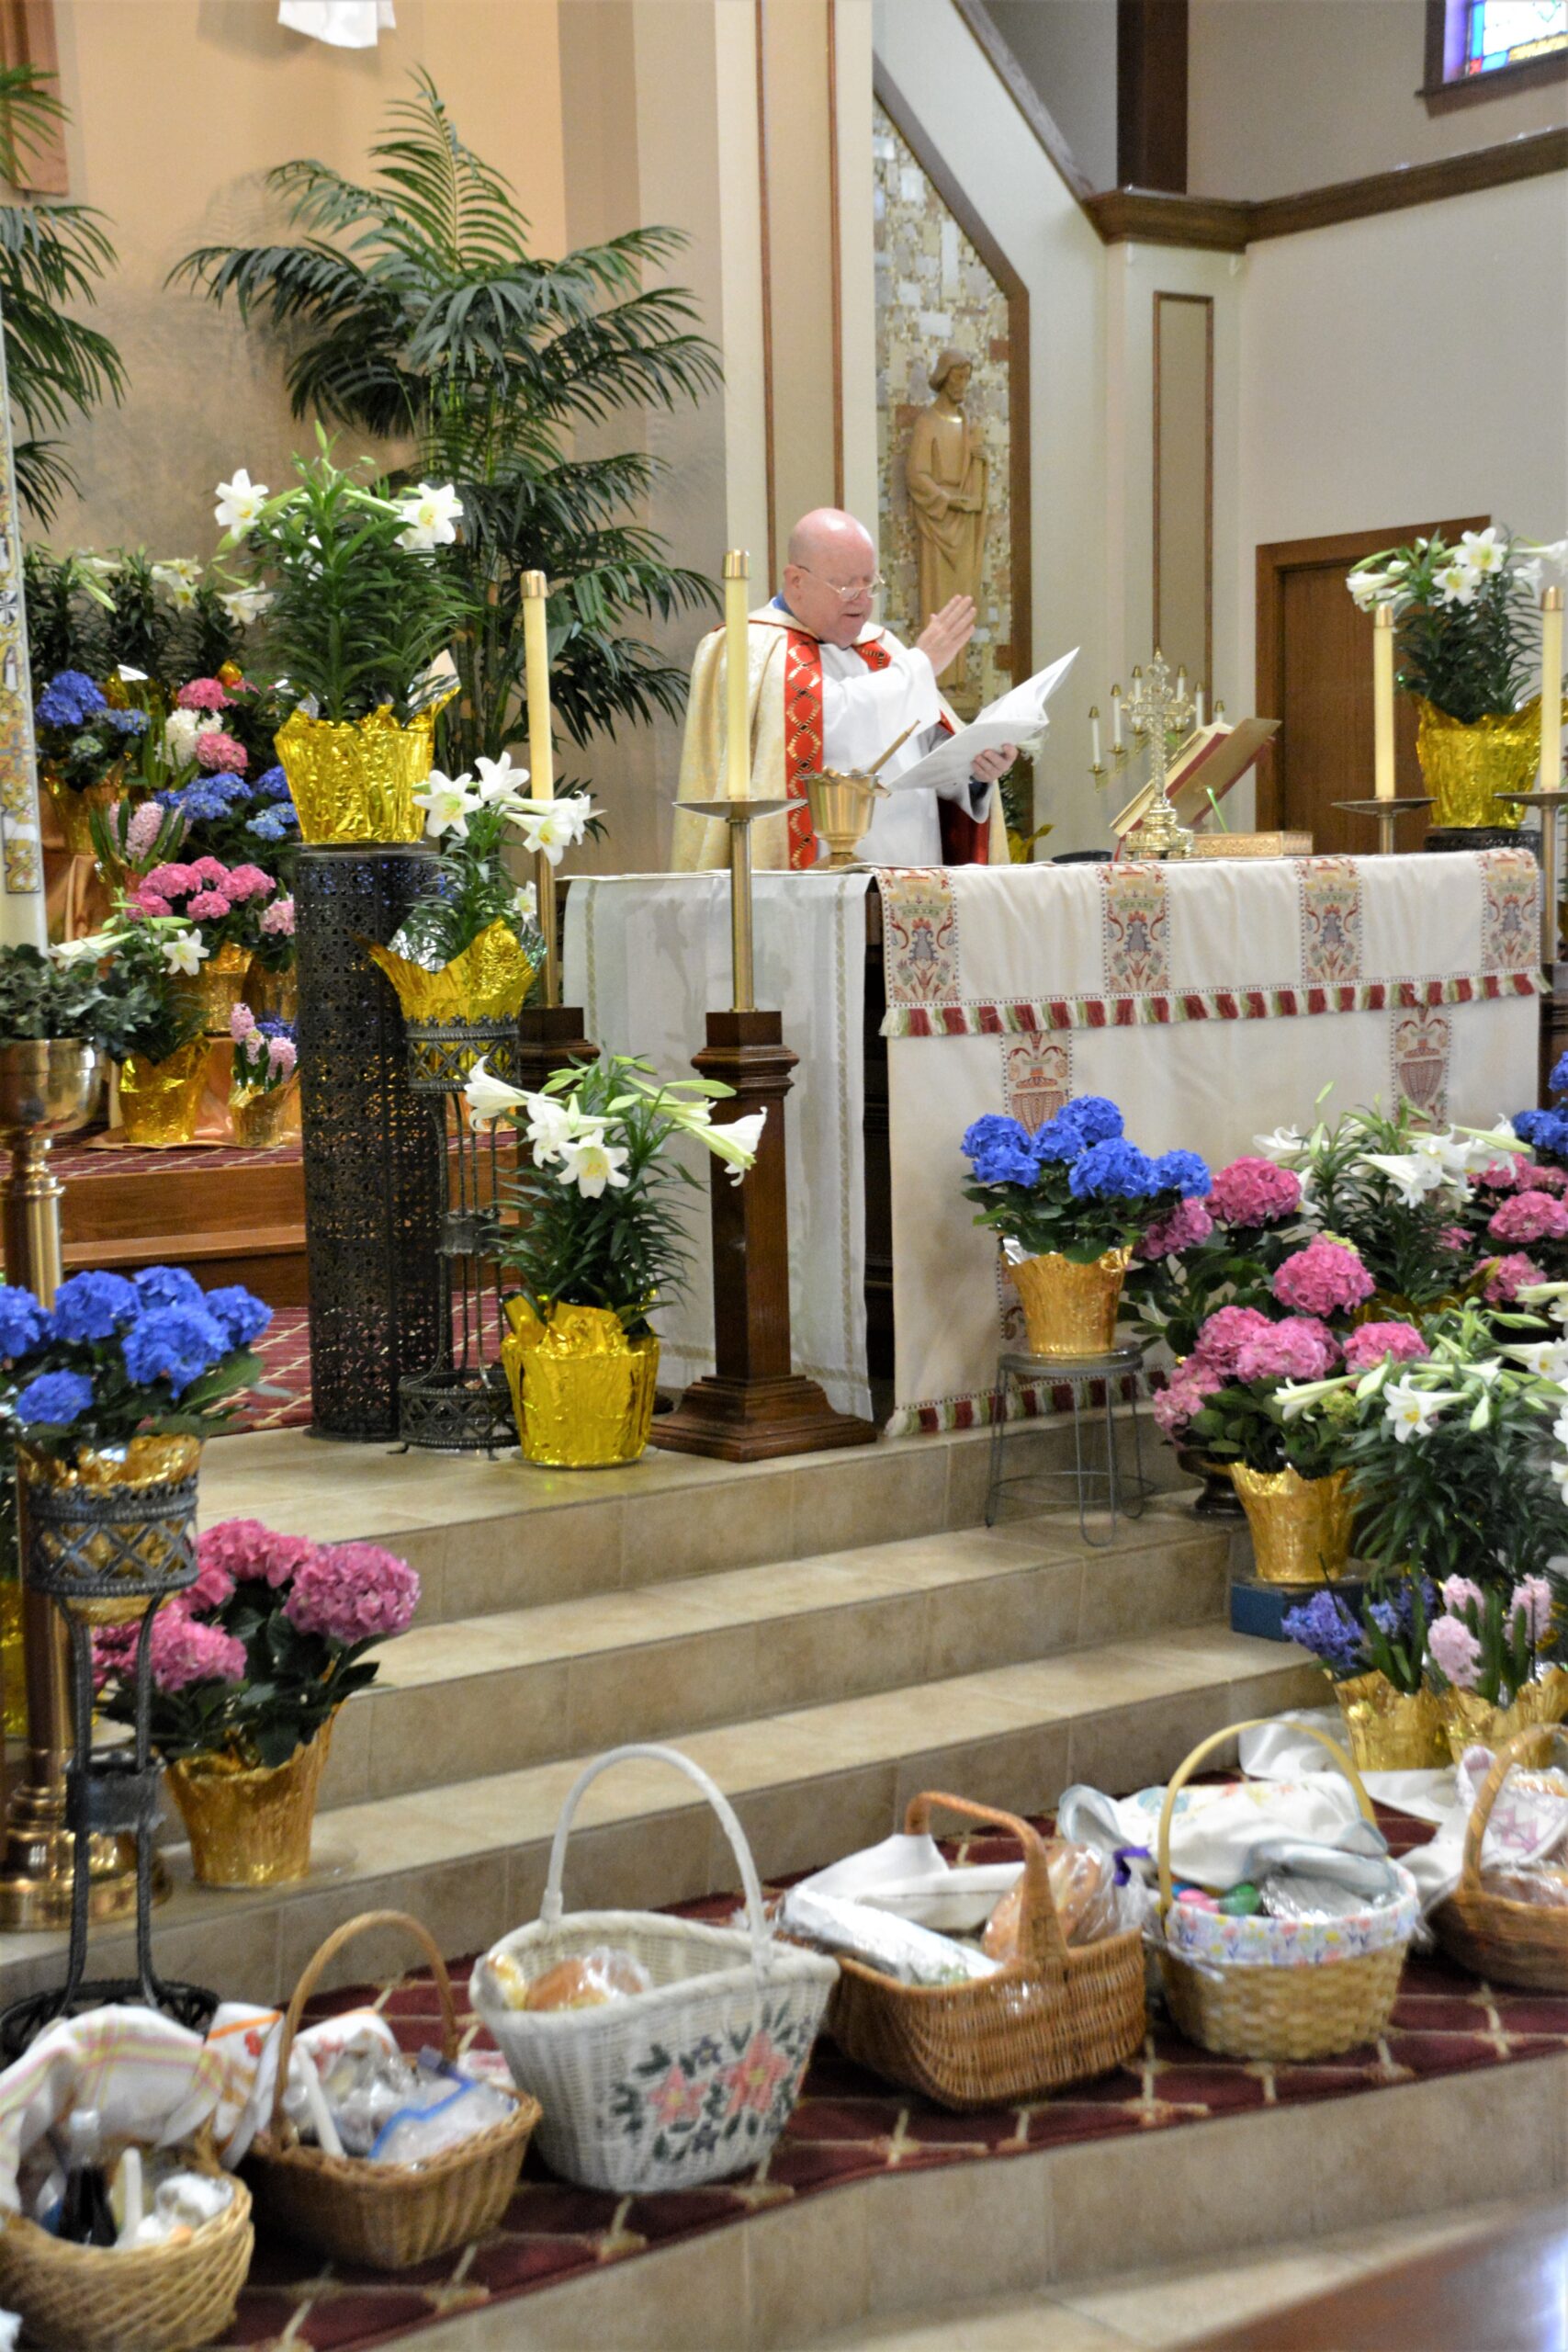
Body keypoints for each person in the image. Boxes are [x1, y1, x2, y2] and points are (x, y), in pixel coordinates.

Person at [672, 506, 1016, 872]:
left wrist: (976, 771)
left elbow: (925, 754)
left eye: (870, 584)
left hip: (917, 882)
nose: (862, 599)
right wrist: (921, 666)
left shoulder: (884, 649)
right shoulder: (752, 647)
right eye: (845, 586)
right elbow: (827, 725)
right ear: (796, 581)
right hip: (813, 887)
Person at [906, 348, 987, 700]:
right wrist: (950, 500)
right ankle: (937, 679)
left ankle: (958, 679)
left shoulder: (968, 425)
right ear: (943, 376)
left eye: (967, 377)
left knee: (964, 598)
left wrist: (980, 459)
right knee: (941, 600)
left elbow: (979, 476)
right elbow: (916, 475)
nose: (962, 384)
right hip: (939, 522)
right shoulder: (928, 422)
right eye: (957, 376)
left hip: (965, 524)